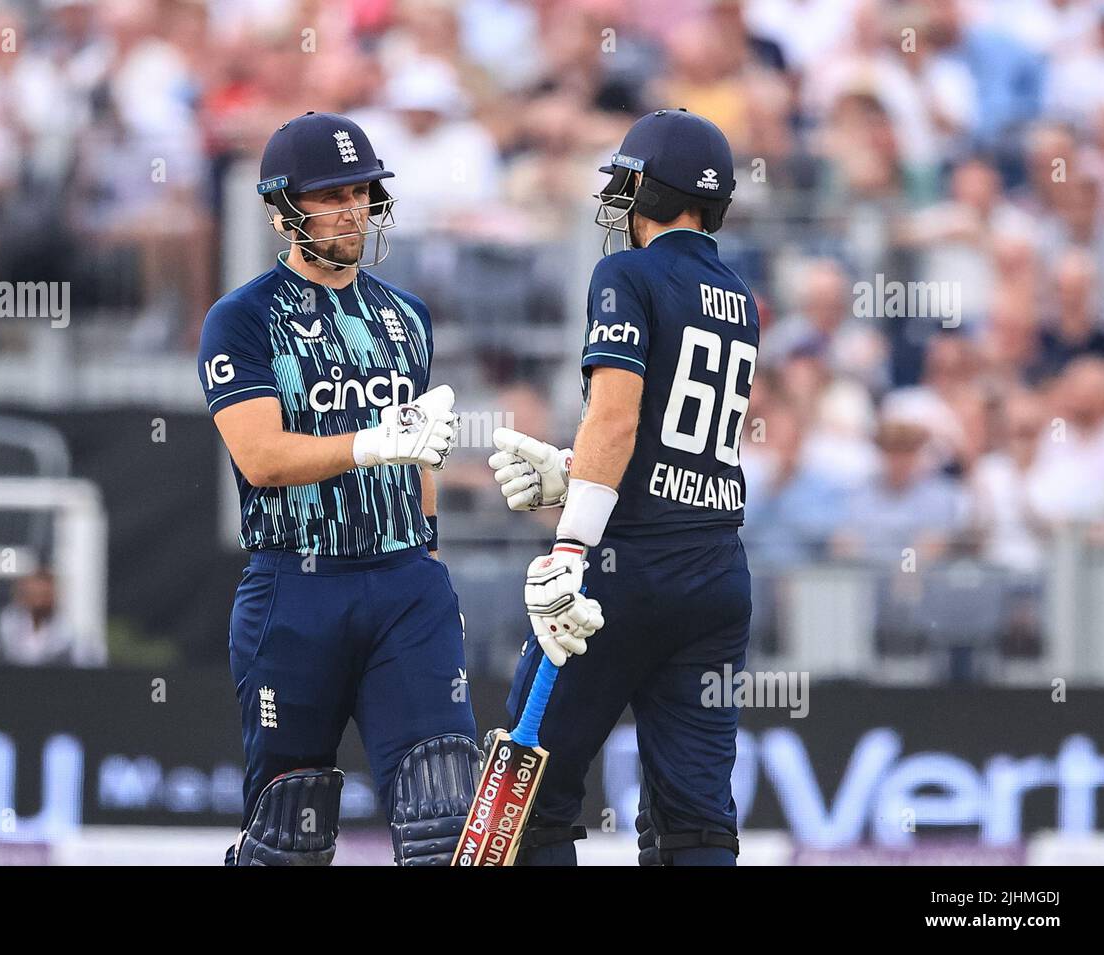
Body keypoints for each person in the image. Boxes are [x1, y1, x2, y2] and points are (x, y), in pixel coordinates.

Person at [196, 112, 479, 866]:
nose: (353, 208)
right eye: (331, 194)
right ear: (284, 207)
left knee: (449, 821)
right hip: (297, 584)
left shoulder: (407, 316)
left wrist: (426, 546)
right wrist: (369, 444)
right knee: (289, 832)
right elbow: (258, 456)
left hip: (404, 582)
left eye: (362, 190)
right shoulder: (243, 318)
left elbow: (422, 455)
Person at [487, 109, 758, 865]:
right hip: (714, 569)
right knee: (695, 819)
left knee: (527, 794)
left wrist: (570, 543)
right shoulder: (738, 295)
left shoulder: (627, 272)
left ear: (650, 189)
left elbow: (617, 417)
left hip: (623, 568)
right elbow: (677, 444)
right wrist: (572, 473)